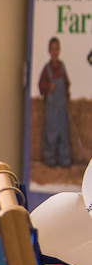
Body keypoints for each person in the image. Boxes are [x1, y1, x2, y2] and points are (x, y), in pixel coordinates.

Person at [41, 37, 75, 170]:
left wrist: (66, 96)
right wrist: (49, 87)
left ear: (59, 51)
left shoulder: (62, 67)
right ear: (49, 51)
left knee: (63, 134)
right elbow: (41, 86)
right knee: (50, 135)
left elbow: (67, 84)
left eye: (56, 49)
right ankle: (50, 162)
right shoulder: (46, 69)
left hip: (62, 109)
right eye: (52, 49)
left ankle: (64, 162)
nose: (54, 52)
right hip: (51, 110)